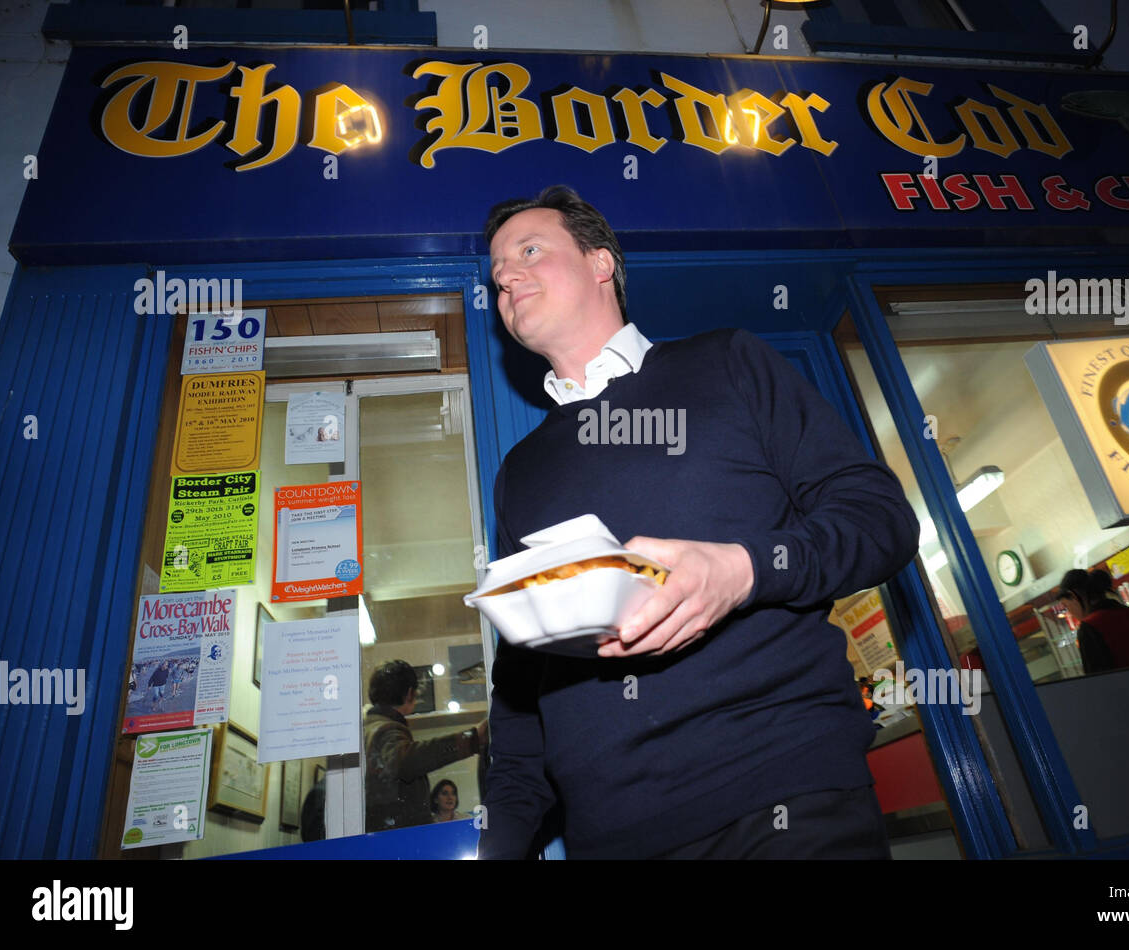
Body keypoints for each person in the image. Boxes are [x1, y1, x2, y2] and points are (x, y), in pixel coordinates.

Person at [479, 186, 920, 860]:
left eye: (528, 251)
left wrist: (742, 571)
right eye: (497, 271)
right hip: (611, 839)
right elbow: (521, 682)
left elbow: (879, 519)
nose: (505, 276)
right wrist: (500, 843)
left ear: (602, 263)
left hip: (785, 802)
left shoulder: (729, 363)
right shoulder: (519, 471)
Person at [363, 660, 487, 833]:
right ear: (409, 694)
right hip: (398, 840)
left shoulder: (369, 728)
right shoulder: (386, 729)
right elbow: (405, 761)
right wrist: (472, 740)